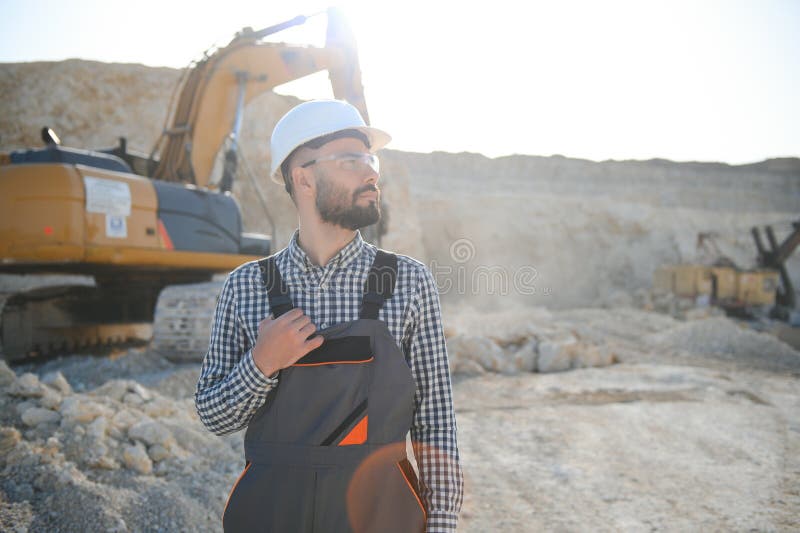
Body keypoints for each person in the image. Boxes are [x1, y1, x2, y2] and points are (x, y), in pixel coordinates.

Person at [195, 99, 464, 532]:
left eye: (370, 158)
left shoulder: (408, 282)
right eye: (351, 159)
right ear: (302, 176)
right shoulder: (245, 286)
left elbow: (435, 423)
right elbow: (212, 416)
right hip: (272, 517)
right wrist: (262, 364)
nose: (371, 172)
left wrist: (443, 523)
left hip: (378, 516)